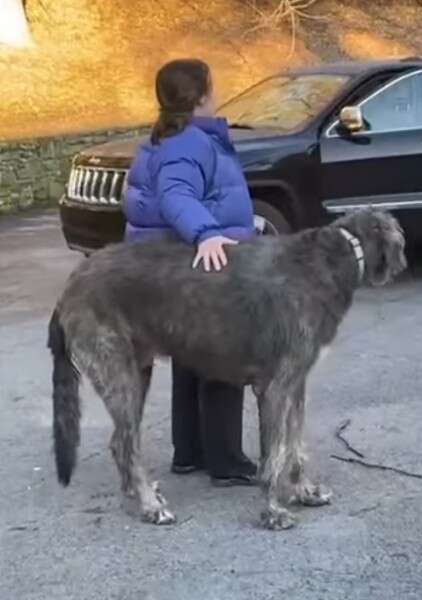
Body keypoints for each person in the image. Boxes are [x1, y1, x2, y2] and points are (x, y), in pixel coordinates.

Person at [122, 58, 258, 487]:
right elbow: (176, 195)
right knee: (223, 358)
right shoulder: (189, 141)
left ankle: (191, 452)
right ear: (201, 95)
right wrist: (207, 234)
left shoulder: (166, 137)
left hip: (171, 268)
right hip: (196, 265)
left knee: (190, 356)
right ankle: (226, 461)